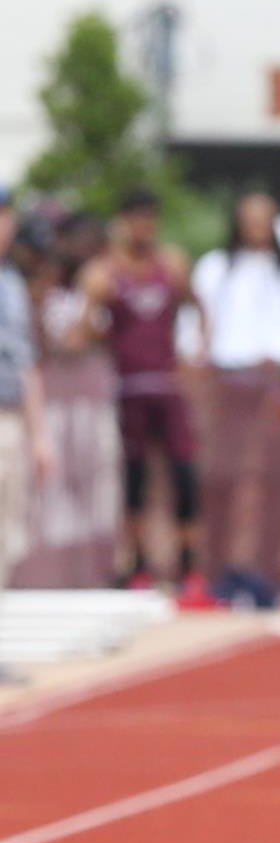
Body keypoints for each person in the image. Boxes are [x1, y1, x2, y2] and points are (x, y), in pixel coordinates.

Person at [75, 189, 209, 602]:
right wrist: (97, 332)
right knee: (135, 476)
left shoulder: (170, 266)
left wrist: (199, 352)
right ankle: (138, 563)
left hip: (167, 385)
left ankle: (188, 563)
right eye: (135, 219)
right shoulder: (104, 273)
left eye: (148, 219)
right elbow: (83, 326)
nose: (143, 227)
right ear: (122, 223)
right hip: (129, 387)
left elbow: (199, 307)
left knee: (183, 472)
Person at [193, 191, 280, 608]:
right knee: (222, 478)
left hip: (275, 382)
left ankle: (267, 572)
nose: (257, 228)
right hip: (229, 381)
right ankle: (221, 570)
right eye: (250, 219)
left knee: (271, 481)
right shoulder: (215, 267)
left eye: (265, 219)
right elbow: (201, 326)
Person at [0, 187, 61, 685]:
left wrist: (40, 434)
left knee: (6, 537)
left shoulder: (11, 283)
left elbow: (27, 364)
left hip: (10, 419)